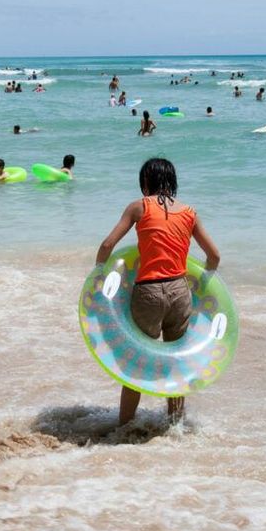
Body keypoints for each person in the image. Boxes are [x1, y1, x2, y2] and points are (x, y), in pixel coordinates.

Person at [94, 158, 220, 426]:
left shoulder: (139, 207)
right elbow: (214, 256)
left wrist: (97, 276)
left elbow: (107, 245)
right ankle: (175, 426)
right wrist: (202, 284)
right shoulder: (189, 212)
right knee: (176, 363)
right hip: (180, 291)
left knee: (137, 362)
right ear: (172, 182)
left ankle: (125, 427)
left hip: (148, 292)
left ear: (145, 182)